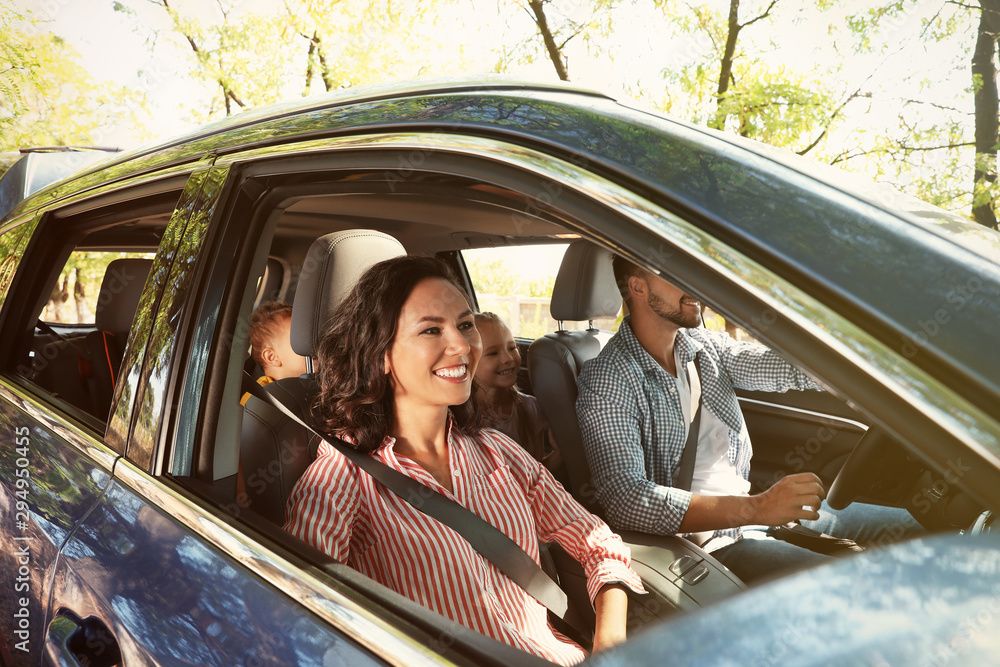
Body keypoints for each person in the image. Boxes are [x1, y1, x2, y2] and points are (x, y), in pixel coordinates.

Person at [284, 256, 644, 664]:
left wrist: (610, 643)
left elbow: (598, 541)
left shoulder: (498, 450)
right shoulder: (342, 475)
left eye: (465, 324)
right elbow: (300, 614)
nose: (460, 345)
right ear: (380, 354)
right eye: (431, 329)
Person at [576, 255, 923, 584]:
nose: (693, 282)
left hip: (753, 522)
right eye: (674, 272)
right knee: (861, 583)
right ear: (638, 288)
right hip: (700, 548)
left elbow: (783, 368)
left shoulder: (701, 346)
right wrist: (757, 508)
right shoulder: (609, 379)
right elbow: (627, 500)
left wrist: (870, 369)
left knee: (917, 529)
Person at [473, 311, 563, 474]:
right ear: (468, 362)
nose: (507, 358)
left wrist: (559, 453)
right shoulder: (461, 417)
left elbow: (536, 475)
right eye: (493, 353)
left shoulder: (530, 408)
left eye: (512, 348)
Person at [241, 300, 308, 405]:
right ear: (272, 357)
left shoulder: (313, 380)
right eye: (299, 339)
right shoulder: (257, 400)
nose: (309, 344)